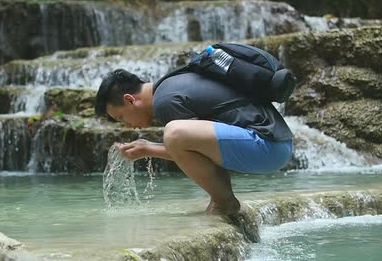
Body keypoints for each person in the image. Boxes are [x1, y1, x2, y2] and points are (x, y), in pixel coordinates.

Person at [95, 68, 293, 215]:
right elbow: (207, 148)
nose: (127, 126)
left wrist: (148, 149)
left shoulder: (165, 102)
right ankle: (222, 200)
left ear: (130, 99)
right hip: (276, 143)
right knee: (176, 135)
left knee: (174, 133)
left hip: (268, 146)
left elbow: (190, 148)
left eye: (121, 118)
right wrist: (148, 148)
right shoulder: (171, 84)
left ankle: (224, 202)